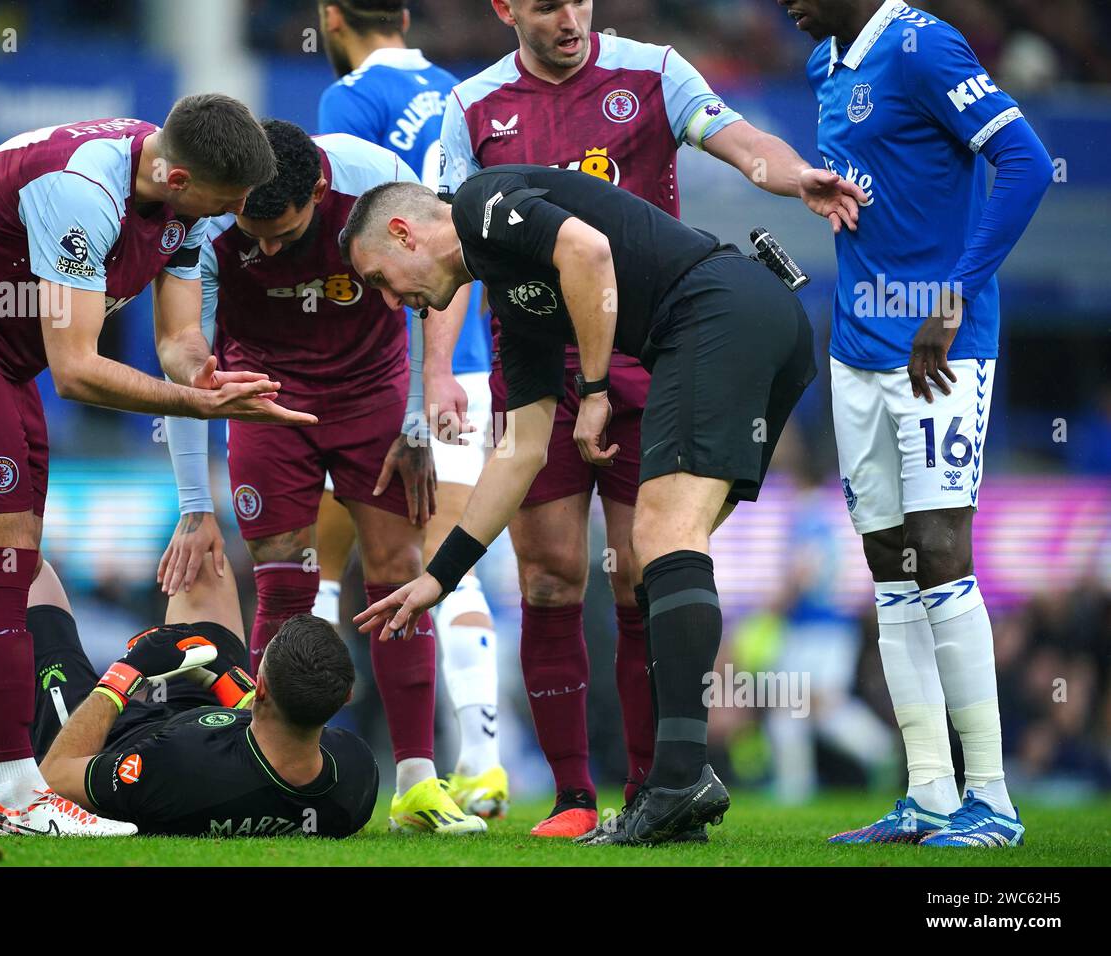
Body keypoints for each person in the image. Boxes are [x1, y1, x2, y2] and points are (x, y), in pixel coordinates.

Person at [432, 0, 868, 838]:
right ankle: (568, 797)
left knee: (642, 569)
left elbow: (743, 142)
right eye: (549, 4)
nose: (571, 16)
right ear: (506, 9)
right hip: (537, 363)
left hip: (650, 359)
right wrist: (439, 373)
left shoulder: (653, 70)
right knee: (549, 576)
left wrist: (794, 174)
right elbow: (452, 249)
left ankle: (652, 784)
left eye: (581, 0)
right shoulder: (473, 107)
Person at [0, 95, 315, 838]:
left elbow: (177, 335)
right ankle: (18, 797)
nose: (239, 215)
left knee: (4, 562)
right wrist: (193, 406)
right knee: (2, 560)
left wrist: (201, 377)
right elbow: (76, 369)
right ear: (177, 176)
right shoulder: (81, 196)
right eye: (230, 201)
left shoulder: (186, 198)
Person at [342, 165, 823, 844]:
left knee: (660, 537)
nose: (393, 304)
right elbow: (521, 452)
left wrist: (595, 388)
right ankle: (676, 795)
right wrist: (438, 577)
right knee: (668, 559)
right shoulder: (516, 295)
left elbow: (588, 250)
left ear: (403, 233)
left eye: (381, 280)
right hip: (757, 322)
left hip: (716, 311)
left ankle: (678, 777)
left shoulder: (479, 202)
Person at [156, 119, 486, 835]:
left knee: (400, 569)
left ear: (321, 189)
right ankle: (263, 771)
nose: (267, 249)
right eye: (255, 231)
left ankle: (418, 783)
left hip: (373, 398)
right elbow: (187, 371)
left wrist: (416, 419)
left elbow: (440, 278)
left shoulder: (372, 176)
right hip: (266, 399)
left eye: (284, 232)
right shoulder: (208, 223)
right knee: (282, 578)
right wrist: (192, 502)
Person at [780, 0, 1052, 847]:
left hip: (940, 347)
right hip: (858, 346)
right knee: (891, 566)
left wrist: (954, 291)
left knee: (940, 550)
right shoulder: (828, 63)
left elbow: (1026, 161)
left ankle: (994, 800)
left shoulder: (923, 45)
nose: (784, 5)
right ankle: (930, 791)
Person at [315, 0, 508, 821]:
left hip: (394, 363)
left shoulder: (348, 99)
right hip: (472, 357)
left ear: (332, 16)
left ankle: (304, 737)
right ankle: (487, 764)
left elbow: (346, 243)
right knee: (447, 557)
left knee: (351, 564)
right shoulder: (456, 89)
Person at [10, 559, 378, 839]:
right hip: (206, 724)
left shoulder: (177, 764)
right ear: (345, 697)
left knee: (23, 566)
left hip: (118, 740)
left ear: (261, 686)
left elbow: (54, 778)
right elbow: (277, 732)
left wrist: (128, 671)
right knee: (201, 564)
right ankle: (196, 515)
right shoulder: (356, 777)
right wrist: (223, 675)